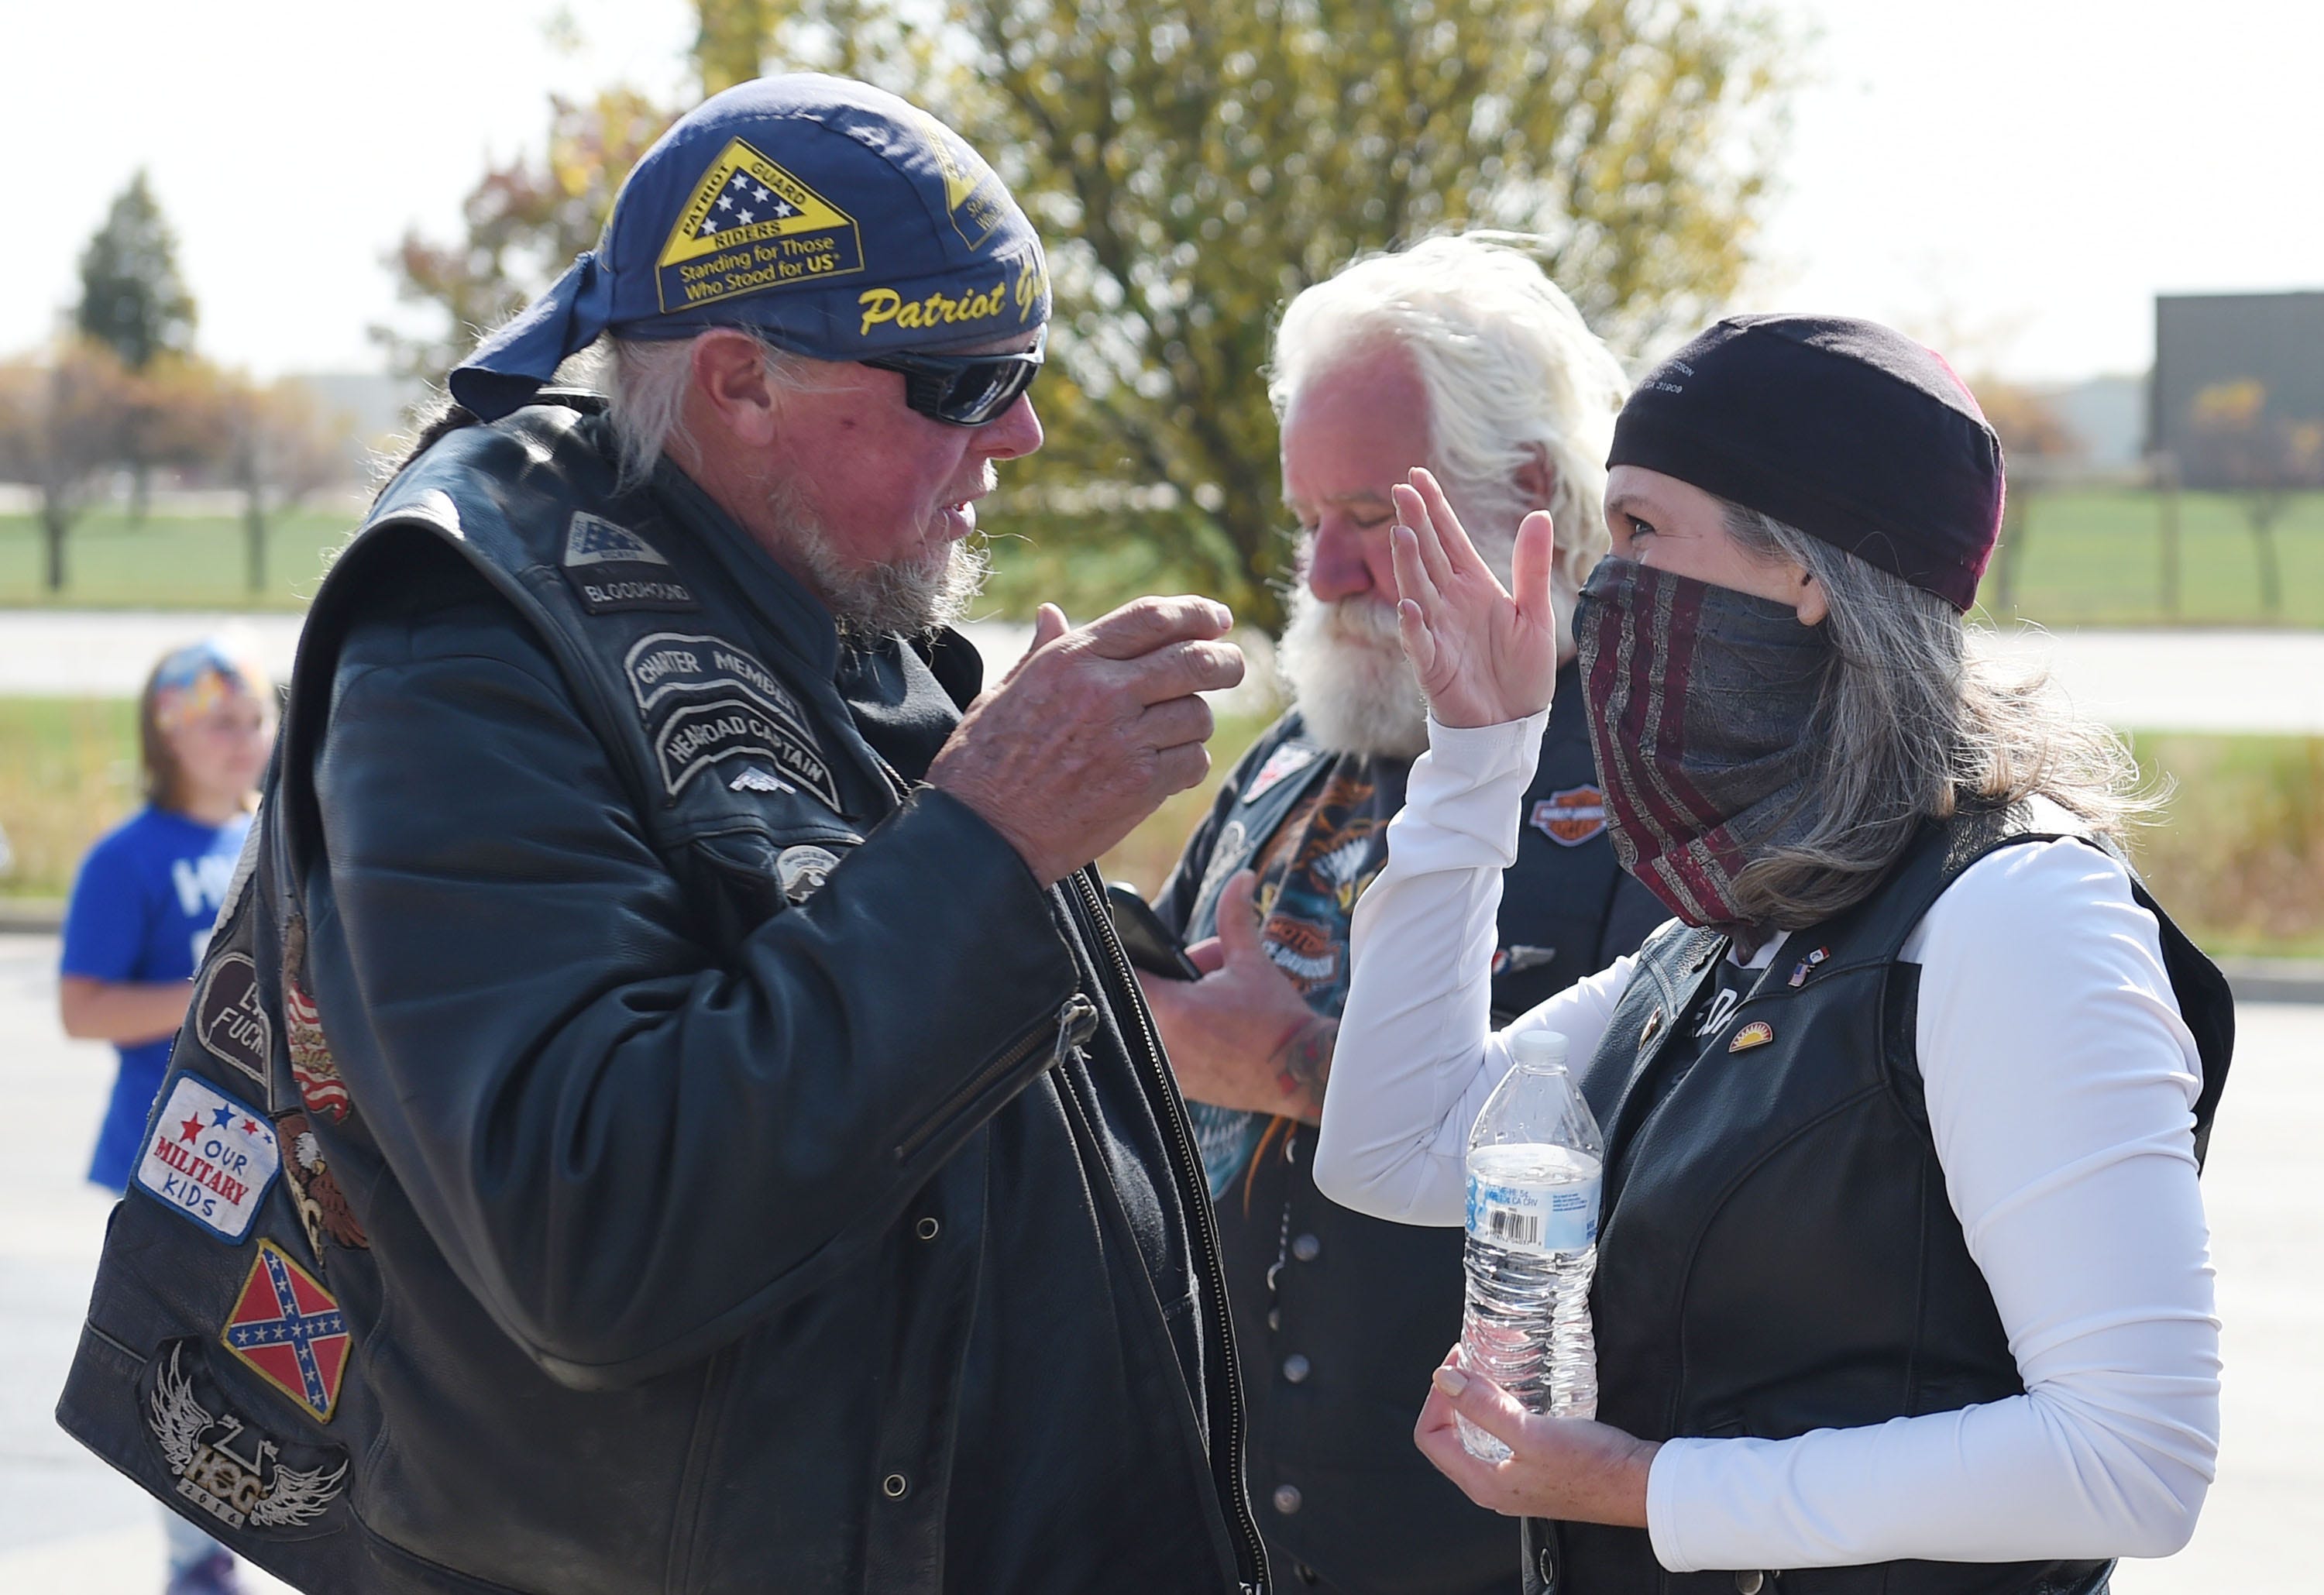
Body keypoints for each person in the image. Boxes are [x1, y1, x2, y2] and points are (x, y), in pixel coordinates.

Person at [58, 74, 1267, 1595]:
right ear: (740, 380)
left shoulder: (808, 590)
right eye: (958, 379)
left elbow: (822, 977)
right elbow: (591, 1221)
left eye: (1023, 367)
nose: (1017, 430)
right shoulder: (463, 652)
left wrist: (1123, 997)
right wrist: (989, 838)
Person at [1313, 316, 2232, 1594]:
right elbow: (1394, 1147)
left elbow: (2137, 1456)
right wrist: (1478, 756)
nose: (1601, 586)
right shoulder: (1734, 931)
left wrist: (1637, 1485)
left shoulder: (2017, 917)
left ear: (1806, 568)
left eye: (1638, 531)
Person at [1141, 235, 1663, 1595]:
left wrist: (1292, 1070)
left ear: (1532, 492)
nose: (1325, 574)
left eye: (1372, 517)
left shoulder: (1656, 786)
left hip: (1496, 1550)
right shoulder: (1281, 767)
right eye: (1308, 520)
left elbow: (1685, 1155)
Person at [59, 637, 276, 1595]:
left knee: (278, 1377)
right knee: (179, 1377)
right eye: (218, 723)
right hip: (166, 1161)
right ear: (169, 734)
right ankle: (197, 1568)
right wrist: (210, 996)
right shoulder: (129, 858)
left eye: (255, 719)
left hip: (280, 1164)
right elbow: (83, 1006)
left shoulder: (280, 838)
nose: (242, 739)